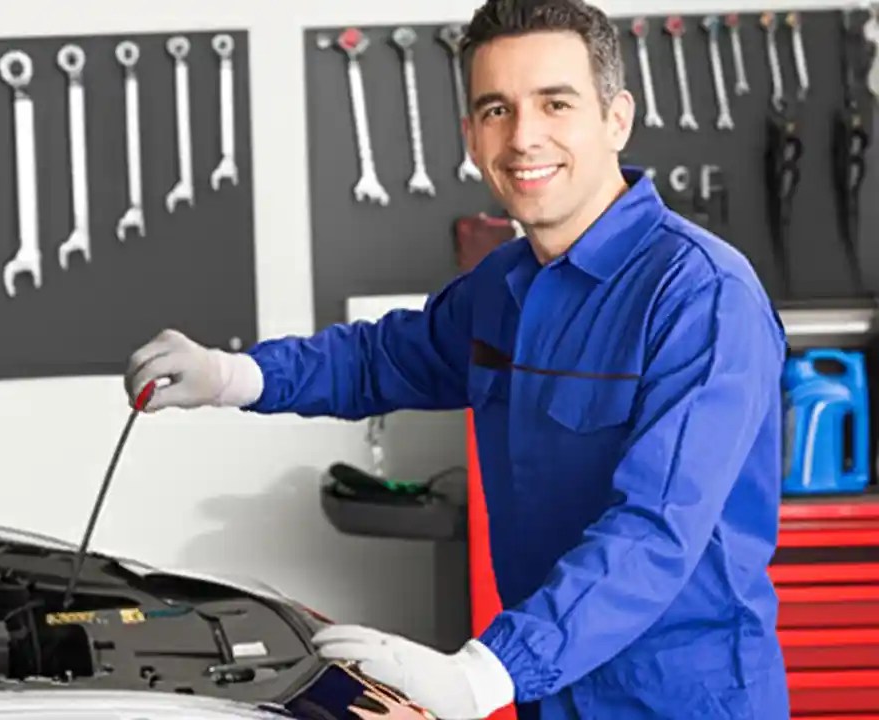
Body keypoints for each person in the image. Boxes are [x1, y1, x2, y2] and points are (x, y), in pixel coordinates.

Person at [124, 0, 790, 717]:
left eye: (554, 103)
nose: (524, 137)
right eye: (496, 110)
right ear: (471, 135)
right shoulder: (504, 286)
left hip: (677, 699)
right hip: (549, 691)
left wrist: (485, 672)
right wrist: (235, 376)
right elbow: (380, 360)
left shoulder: (700, 297)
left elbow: (657, 528)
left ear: (616, 119)